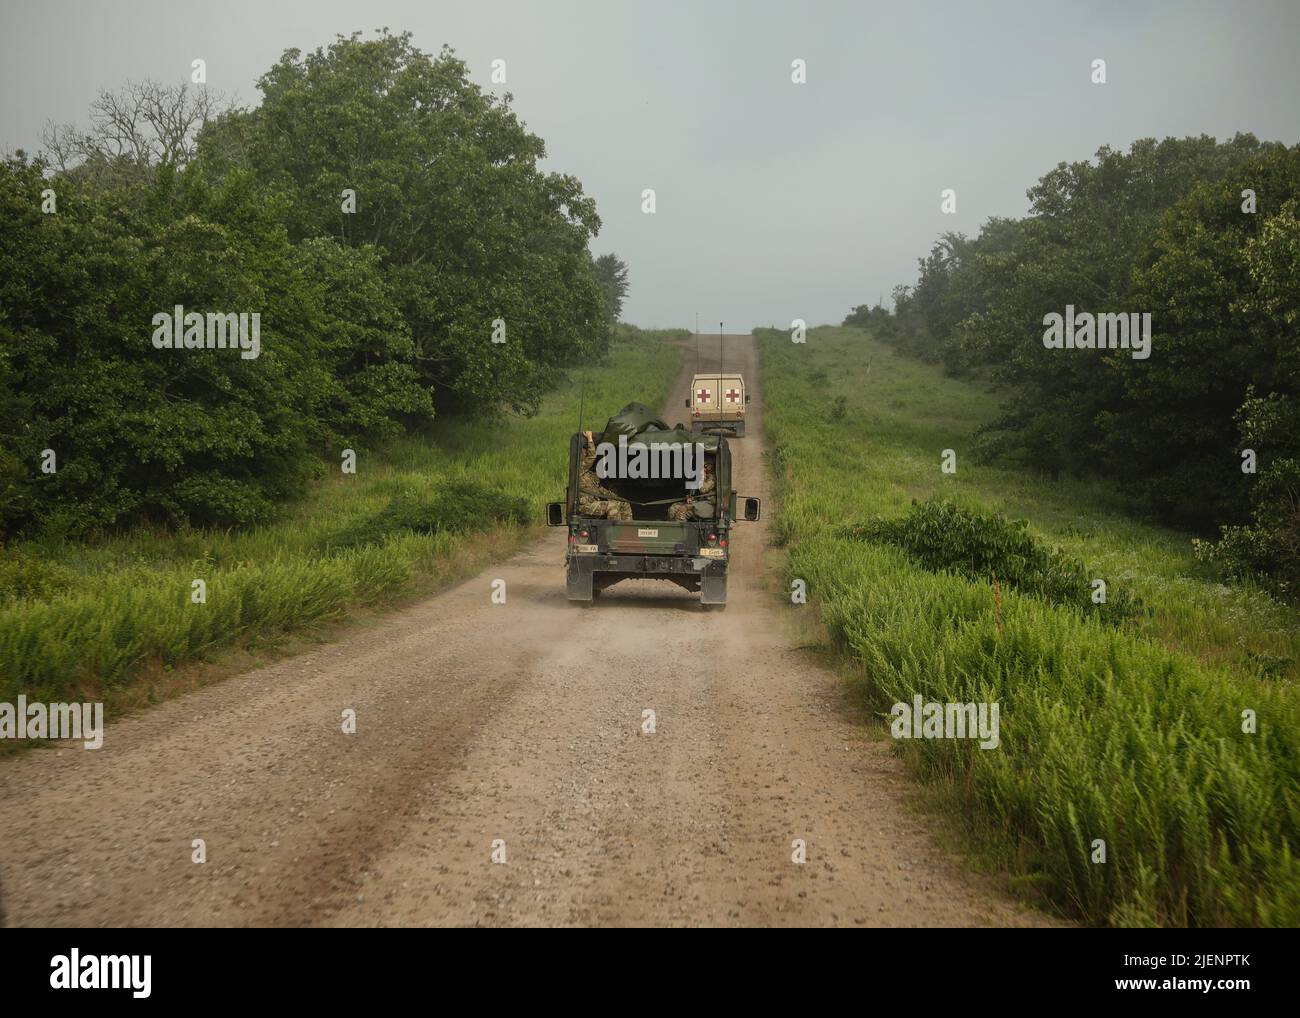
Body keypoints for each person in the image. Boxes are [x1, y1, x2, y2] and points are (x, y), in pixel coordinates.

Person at [576, 430, 633, 521]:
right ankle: (614, 533)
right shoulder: (580, 470)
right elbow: (591, 457)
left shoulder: (591, 476)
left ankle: (627, 530)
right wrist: (590, 439)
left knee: (624, 503)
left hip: (594, 503)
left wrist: (615, 497)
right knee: (612, 506)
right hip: (585, 507)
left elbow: (600, 491)